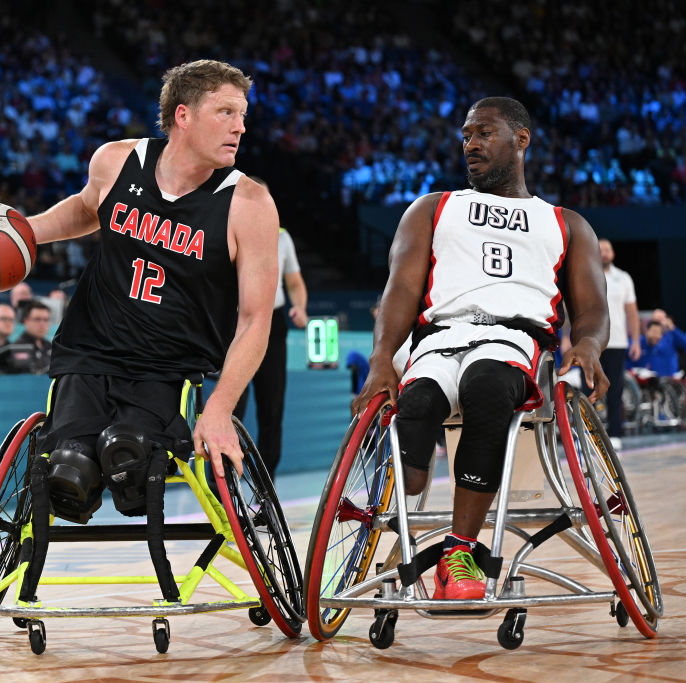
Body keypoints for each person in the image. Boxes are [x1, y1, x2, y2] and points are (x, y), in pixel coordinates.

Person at [353, 97, 609, 601]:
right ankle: (401, 535)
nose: (470, 144)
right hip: (440, 338)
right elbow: (400, 291)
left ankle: (459, 551)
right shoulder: (433, 207)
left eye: (484, 133)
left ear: (521, 140)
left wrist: (588, 344)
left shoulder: (565, 222)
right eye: (466, 134)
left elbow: (594, 308)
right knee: (418, 402)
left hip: (515, 338)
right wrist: (382, 358)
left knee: (487, 385)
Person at [25, 57, 278, 507]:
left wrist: (220, 408)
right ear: (183, 115)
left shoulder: (249, 203)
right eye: (226, 113)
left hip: (168, 369)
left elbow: (257, 319)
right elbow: (87, 208)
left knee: (130, 464)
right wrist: (27, 232)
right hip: (88, 355)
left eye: (242, 115)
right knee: (69, 470)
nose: (240, 127)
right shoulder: (117, 161)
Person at [233, 178, 308, 478]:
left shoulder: (282, 237)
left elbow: (295, 283)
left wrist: (300, 307)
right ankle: (224, 484)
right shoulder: (225, 230)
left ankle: (266, 486)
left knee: (271, 408)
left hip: (271, 323)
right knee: (230, 409)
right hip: (234, 324)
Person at [598, 238, 641, 448]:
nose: (604, 253)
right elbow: (572, 309)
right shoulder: (586, 274)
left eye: (608, 249)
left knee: (615, 389)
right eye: (600, 249)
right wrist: (567, 337)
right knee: (589, 390)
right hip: (591, 341)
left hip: (617, 341)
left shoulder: (623, 278)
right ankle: (587, 433)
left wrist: (635, 340)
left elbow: (631, 312)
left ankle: (615, 433)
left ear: (613, 253)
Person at [12, 300, 53, 374]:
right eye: (37, 319)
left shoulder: (50, 346)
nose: (42, 324)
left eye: (46, 320)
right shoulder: (19, 346)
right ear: (26, 321)